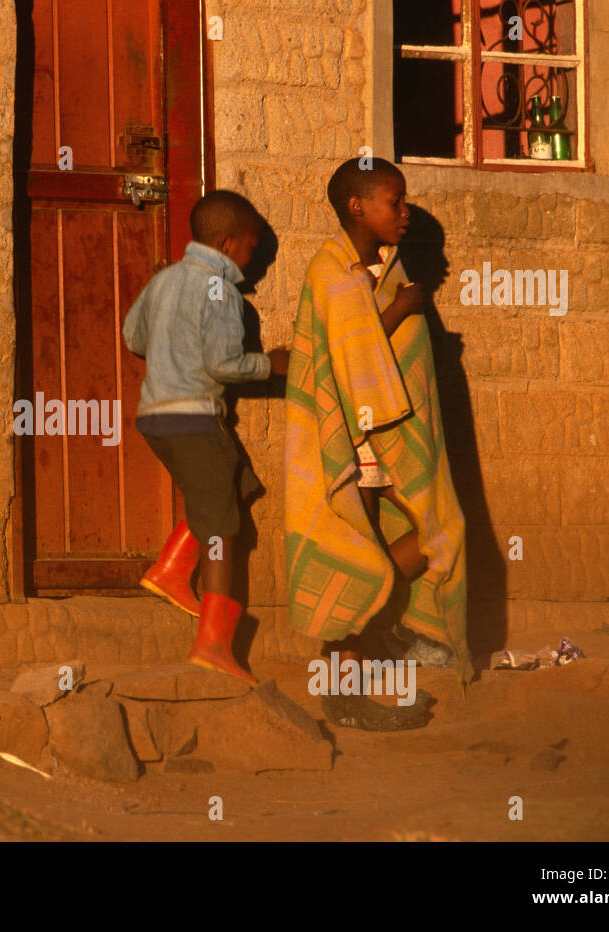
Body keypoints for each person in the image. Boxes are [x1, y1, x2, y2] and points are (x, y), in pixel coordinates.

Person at [282, 156, 471, 729]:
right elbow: (348, 353)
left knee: (441, 530)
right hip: (352, 436)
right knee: (361, 555)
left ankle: (389, 631)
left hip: (390, 434)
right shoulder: (332, 270)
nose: (404, 212)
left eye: (406, 200)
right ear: (357, 206)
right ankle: (345, 688)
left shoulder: (385, 267)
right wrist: (403, 309)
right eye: (395, 201)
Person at [123, 190, 288, 683]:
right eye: (252, 249)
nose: (253, 261)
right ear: (227, 242)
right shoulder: (222, 292)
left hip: (156, 417)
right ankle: (213, 644)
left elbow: (134, 337)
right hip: (195, 417)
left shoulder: (164, 280)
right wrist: (271, 364)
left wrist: (172, 342)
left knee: (236, 485)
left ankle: (172, 571)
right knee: (222, 529)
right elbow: (223, 365)